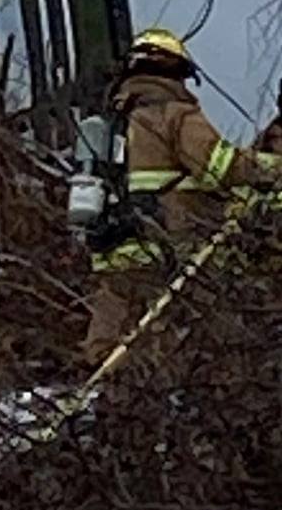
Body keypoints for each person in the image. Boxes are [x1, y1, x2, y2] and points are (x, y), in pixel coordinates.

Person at [83, 30, 282, 367]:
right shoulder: (174, 113)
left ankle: (104, 400)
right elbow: (221, 168)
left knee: (112, 338)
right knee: (188, 333)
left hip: (115, 245)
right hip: (169, 240)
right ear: (177, 72)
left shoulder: (110, 123)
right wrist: (271, 168)